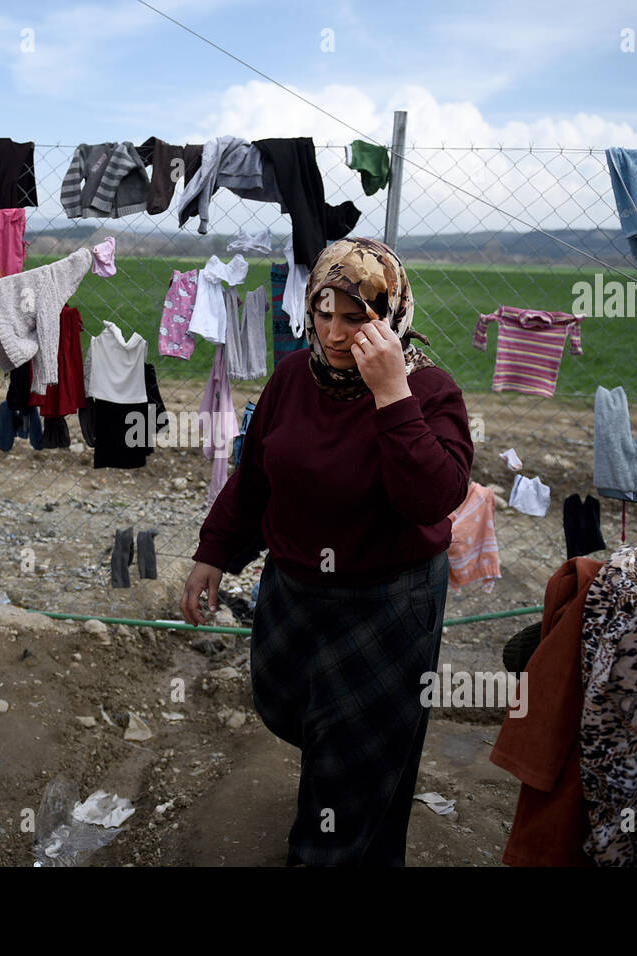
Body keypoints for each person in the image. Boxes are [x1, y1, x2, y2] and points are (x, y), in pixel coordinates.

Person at [181, 237, 474, 866]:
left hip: (386, 605)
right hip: (295, 595)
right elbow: (256, 476)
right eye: (324, 313)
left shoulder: (427, 389)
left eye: (356, 316)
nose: (336, 334)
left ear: (391, 315)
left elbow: (433, 497)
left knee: (349, 762)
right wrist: (215, 549)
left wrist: (391, 395)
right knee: (309, 723)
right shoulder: (293, 377)